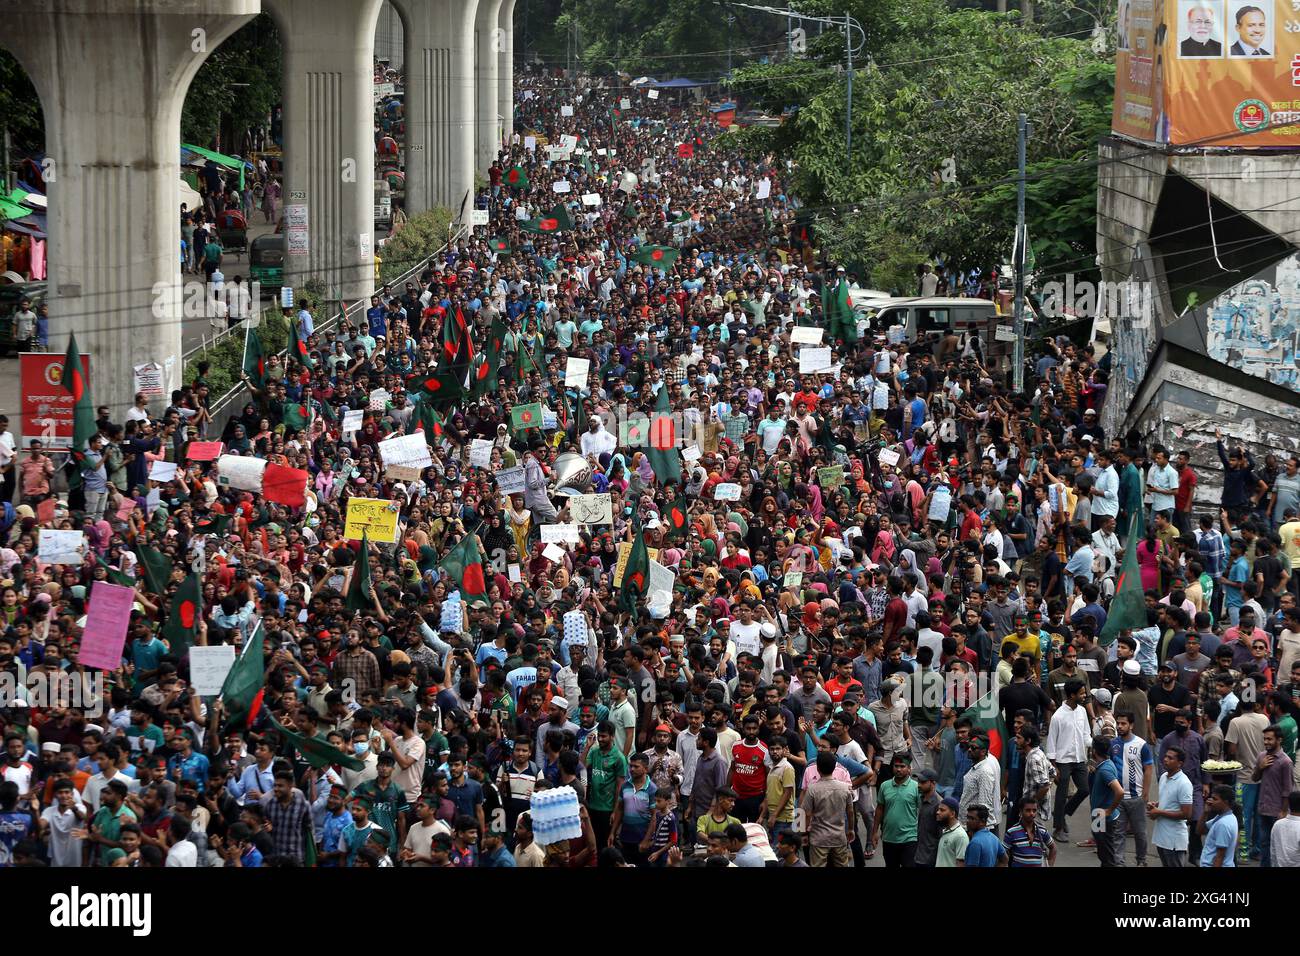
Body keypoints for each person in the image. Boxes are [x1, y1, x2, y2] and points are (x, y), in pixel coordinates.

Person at [800, 751, 855, 867]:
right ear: (834, 767)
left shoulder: (812, 789)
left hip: (818, 838)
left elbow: (807, 814)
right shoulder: (845, 789)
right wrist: (851, 829)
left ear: (818, 769)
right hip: (839, 837)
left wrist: (803, 833)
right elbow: (850, 811)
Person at [1147, 745, 1193, 867]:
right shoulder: (1163, 777)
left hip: (1174, 840)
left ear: (1180, 763)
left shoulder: (1184, 783)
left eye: (1170, 758)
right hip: (1161, 836)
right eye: (1166, 756)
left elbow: (1186, 814)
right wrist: (1156, 805)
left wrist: (1159, 812)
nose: (1165, 759)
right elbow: (1169, 801)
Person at [1089, 735, 1125, 867]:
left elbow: (1120, 791)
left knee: (1107, 856)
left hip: (1103, 817)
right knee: (1102, 852)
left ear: (1094, 751)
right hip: (1097, 815)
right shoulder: (1103, 765)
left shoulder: (1105, 770)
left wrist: (1109, 811)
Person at [1002, 797, 1056, 867]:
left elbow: (1053, 848)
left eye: (1034, 810)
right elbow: (1003, 853)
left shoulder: (1042, 831)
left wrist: (1050, 864)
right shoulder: (1012, 832)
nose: (1031, 813)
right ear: (1021, 811)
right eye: (1028, 810)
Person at [1199, 785, 1240, 868]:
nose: (1210, 801)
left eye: (1215, 799)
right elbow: (1200, 831)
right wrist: (1205, 812)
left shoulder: (1223, 824)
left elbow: (1220, 856)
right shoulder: (1224, 817)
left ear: (1226, 802)